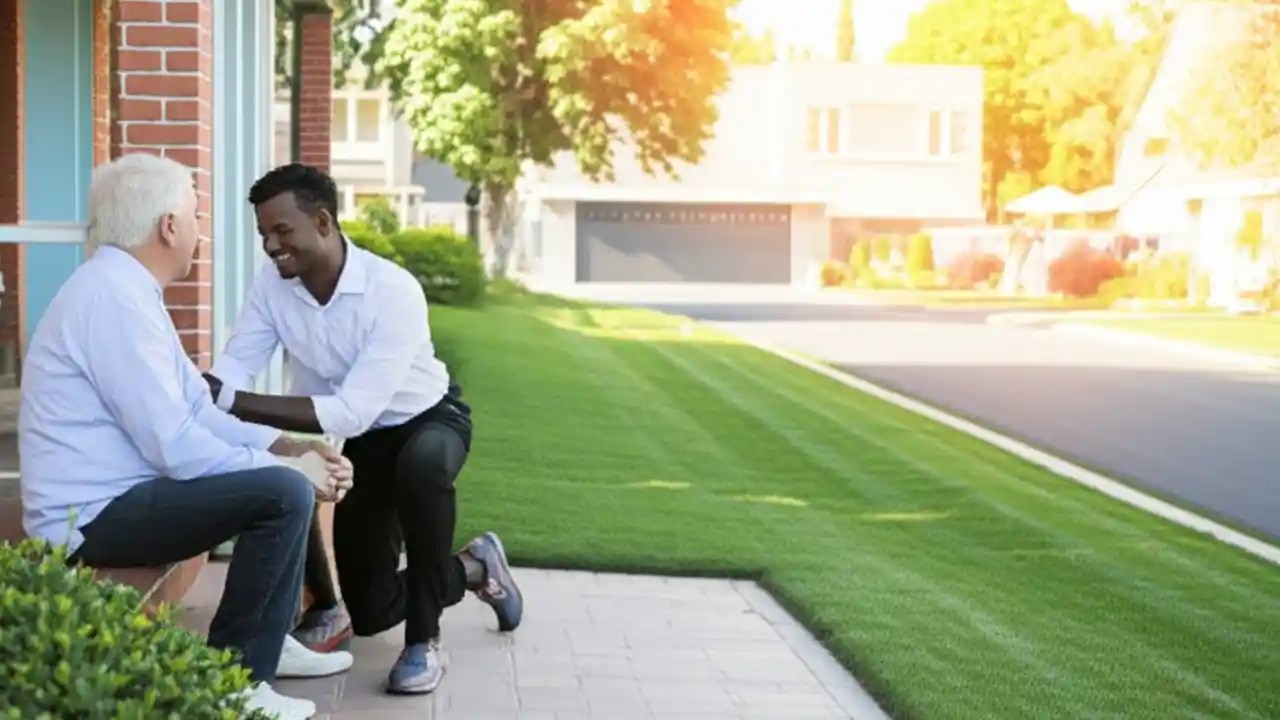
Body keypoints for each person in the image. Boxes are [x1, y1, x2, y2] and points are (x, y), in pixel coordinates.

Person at [19, 153, 352, 720]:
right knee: (283, 494)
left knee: (283, 483)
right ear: (169, 226)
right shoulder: (112, 300)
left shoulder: (128, 290)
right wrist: (289, 471)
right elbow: (173, 445)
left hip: (122, 498)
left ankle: (270, 642)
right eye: (196, 216)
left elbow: (197, 407)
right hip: (89, 518)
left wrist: (286, 446)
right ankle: (236, 681)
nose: (201, 230)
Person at [203, 163, 523, 696]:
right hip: (367, 445)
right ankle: (473, 567)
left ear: (323, 222)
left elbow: (350, 411)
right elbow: (235, 367)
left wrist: (231, 402)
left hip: (428, 419)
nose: (271, 245)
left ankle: (424, 642)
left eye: (282, 230)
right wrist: (205, 393)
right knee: (371, 610)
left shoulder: (392, 290)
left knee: (423, 467)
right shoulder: (272, 287)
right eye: (263, 234)